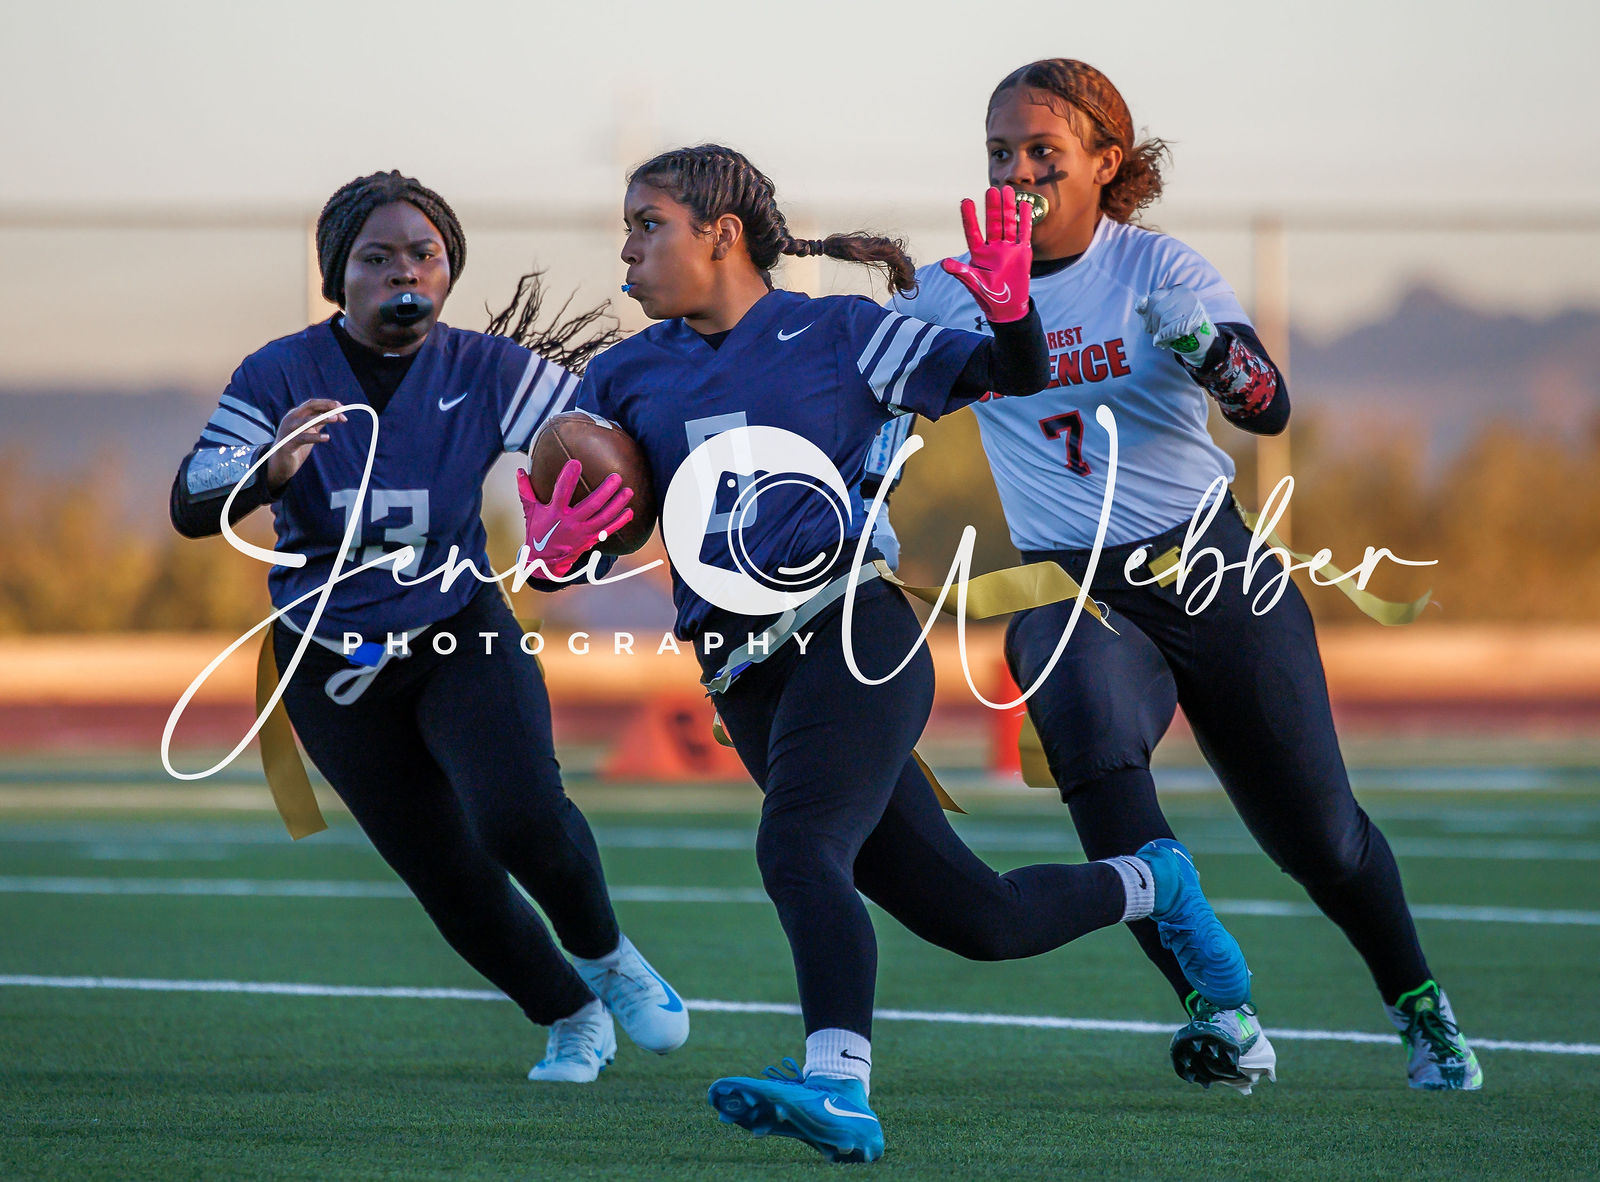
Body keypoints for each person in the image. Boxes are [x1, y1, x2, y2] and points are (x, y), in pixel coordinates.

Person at [557, 142, 1252, 1162]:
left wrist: (1012, 313)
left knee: (798, 848)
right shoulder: (619, 374)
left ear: (721, 234)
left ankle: (838, 1084)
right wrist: (563, 545)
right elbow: (610, 530)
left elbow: (1005, 376)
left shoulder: (840, 332)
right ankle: (1154, 882)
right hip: (741, 671)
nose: (625, 248)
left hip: (852, 629)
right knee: (977, 917)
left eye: (645, 223)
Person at [889, 59, 1481, 1093]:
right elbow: (872, 409)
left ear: (1104, 162)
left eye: (1043, 151)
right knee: (1076, 708)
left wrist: (1213, 353)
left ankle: (1417, 1003)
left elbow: (1266, 407)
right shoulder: (956, 290)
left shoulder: (1156, 269)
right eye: (998, 152)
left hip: (1213, 570)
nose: (1017, 172)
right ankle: (1221, 1006)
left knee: (1321, 842)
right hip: (1072, 583)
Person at [168, 169, 688, 1084]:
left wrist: (589, 519)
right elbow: (189, 501)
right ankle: (569, 1016)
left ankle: (609, 959)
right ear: (340, 273)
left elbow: (600, 448)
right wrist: (266, 466)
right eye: (377, 257)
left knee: (518, 815)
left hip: (456, 626)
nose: (402, 272)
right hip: (328, 652)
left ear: (449, 272)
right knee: (443, 867)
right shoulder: (278, 372)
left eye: (424, 254)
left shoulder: (485, 367)